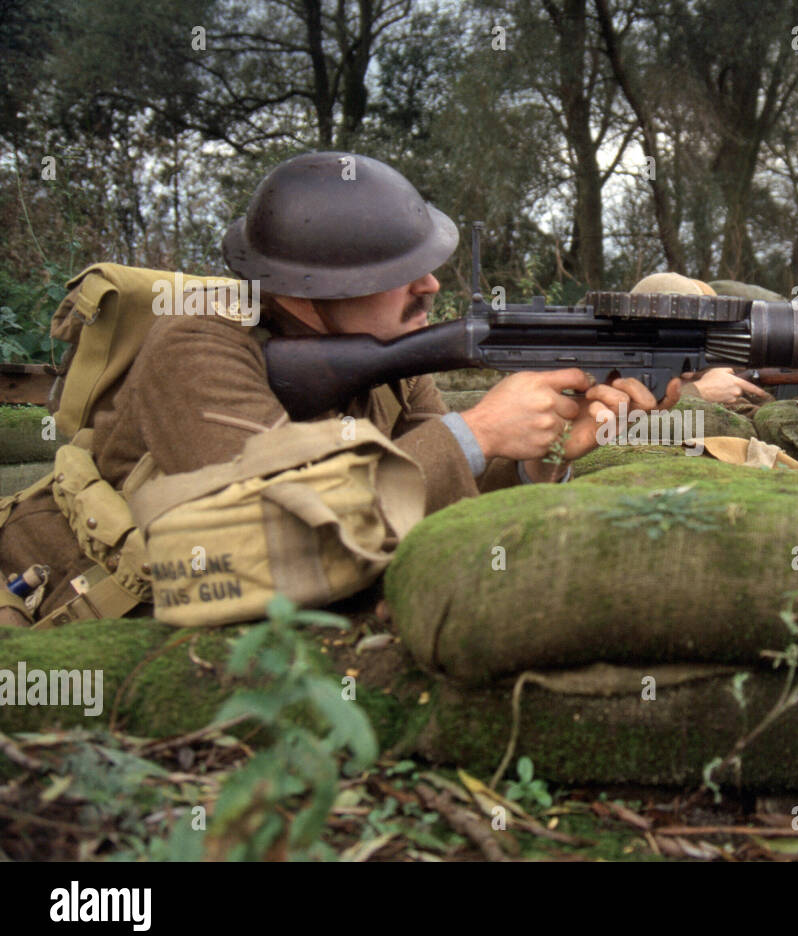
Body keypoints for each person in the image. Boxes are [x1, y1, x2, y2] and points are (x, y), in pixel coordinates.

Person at [0, 152, 665, 626]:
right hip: (59, 597)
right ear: (309, 299)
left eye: (425, 267)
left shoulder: (383, 362)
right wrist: (478, 431)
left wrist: (528, 458)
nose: (430, 286)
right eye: (399, 272)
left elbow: (427, 484)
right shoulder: (196, 344)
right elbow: (277, 535)